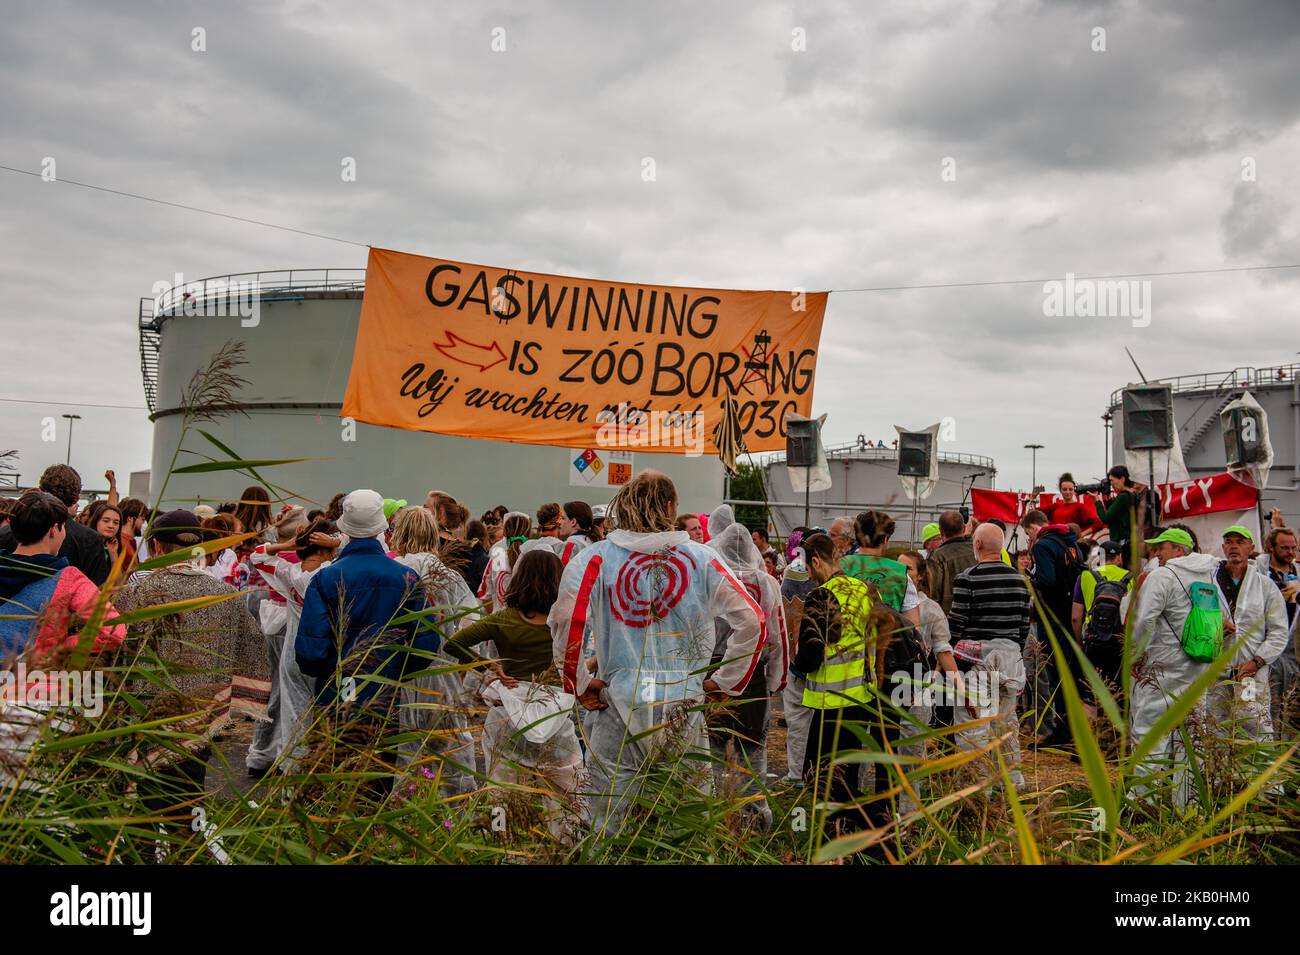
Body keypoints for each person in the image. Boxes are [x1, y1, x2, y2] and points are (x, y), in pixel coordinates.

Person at [549, 470, 763, 837]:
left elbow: (567, 618)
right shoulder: (701, 558)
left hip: (619, 700)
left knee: (604, 818)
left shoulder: (595, 559)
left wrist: (578, 683)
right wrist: (724, 684)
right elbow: (752, 620)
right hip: (682, 703)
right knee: (689, 820)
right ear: (669, 507)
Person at [114, 510, 270, 835]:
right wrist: (238, 706)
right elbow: (253, 650)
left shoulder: (135, 594)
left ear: (156, 547)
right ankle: (184, 850)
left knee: (142, 806)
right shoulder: (226, 595)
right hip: (202, 719)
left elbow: (117, 659)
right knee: (188, 800)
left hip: (147, 717)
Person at [446, 549, 583, 838]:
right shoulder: (563, 623)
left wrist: (489, 667)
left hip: (507, 714)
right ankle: (564, 842)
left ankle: (502, 840)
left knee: (500, 789)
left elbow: (453, 644)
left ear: (518, 579)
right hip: (554, 715)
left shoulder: (504, 619)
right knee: (564, 788)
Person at [296, 490, 436, 755]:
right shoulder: (406, 578)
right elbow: (425, 644)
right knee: (377, 776)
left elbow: (309, 652)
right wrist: (393, 671)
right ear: (382, 529)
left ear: (344, 529)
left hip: (334, 692)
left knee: (329, 770)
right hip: (384, 695)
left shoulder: (325, 579)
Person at [792, 532, 900, 854]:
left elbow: (810, 660)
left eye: (808, 567)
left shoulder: (820, 596)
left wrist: (797, 654)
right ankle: (844, 846)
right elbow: (884, 635)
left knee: (820, 779)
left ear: (815, 561)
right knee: (845, 777)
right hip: (861, 700)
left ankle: (879, 836)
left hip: (830, 703)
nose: (808, 574)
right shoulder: (864, 590)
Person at [389, 505, 483, 793]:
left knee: (404, 748)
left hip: (397, 672)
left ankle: (404, 809)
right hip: (442, 670)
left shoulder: (393, 571)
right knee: (450, 742)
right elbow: (472, 622)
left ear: (399, 534)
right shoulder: (449, 576)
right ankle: (450, 809)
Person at [1128, 527, 1223, 806]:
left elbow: (1144, 620)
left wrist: (1136, 654)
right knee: (1190, 733)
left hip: (1164, 664)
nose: (1157, 553)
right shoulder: (1208, 575)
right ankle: (1188, 803)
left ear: (1180, 550)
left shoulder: (1162, 576)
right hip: (1198, 663)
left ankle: (1143, 801)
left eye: (1163, 547)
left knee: (1151, 730)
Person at [708, 521, 789, 831]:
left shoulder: (714, 579)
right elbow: (776, 634)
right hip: (753, 673)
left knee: (714, 748)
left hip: (712, 673)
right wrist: (775, 680)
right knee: (753, 748)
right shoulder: (765, 582)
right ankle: (754, 818)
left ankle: (716, 816)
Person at [948, 523, 1032, 789]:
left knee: (973, 725)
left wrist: (948, 651)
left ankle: (977, 788)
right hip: (1010, 662)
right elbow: (1023, 626)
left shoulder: (968, 578)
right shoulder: (1020, 579)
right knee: (1006, 725)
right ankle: (1012, 783)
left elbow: (957, 622)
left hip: (976, 661)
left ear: (978, 545)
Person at [0, 491, 125, 661]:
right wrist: (63, 646)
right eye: (64, 527)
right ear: (53, 530)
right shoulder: (69, 579)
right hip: (35, 680)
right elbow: (114, 630)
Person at [1209, 525, 1288, 745]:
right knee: (1215, 726)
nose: (1234, 546)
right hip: (1216, 669)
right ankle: (1220, 779)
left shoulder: (1265, 586)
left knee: (1253, 723)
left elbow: (1279, 632)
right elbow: (1194, 620)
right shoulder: (1208, 583)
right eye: (1230, 541)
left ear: (1251, 548)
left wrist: (1257, 661)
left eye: (1240, 542)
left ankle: (1260, 778)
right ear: (1223, 547)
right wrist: (1215, 625)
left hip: (1250, 672)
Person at [896, 550, 959, 812]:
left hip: (916, 687)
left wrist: (961, 688)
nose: (902, 575)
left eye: (908, 569)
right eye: (897, 569)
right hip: (881, 686)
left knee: (912, 748)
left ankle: (910, 809)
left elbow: (943, 649)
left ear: (920, 576)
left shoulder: (931, 610)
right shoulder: (884, 602)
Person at [1021, 509, 1084, 746]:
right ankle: (1069, 726)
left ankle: (1062, 731)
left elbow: (1047, 580)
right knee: (1068, 672)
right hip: (1070, 613)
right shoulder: (1070, 543)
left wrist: (1029, 574)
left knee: (1055, 673)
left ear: (1035, 527)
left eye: (1029, 534)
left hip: (1052, 617)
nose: (1030, 540)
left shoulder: (1043, 546)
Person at [0, 465, 108, 586]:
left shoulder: (6, 532)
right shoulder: (90, 539)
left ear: (40, 490)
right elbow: (97, 590)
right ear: (77, 498)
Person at [1071, 539, 1132, 697]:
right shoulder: (1131, 578)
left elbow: (1076, 618)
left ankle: (1092, 721)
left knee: (1090, 695)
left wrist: (1080, 644)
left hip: (1093, 641)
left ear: (1100, 557)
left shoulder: (1085, 576)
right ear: (1119, 557)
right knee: (1118, 696)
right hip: (1120, 643)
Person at [1255, 522, 1299, 733]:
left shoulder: (1297, 571)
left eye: (1293, 548)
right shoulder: (1260, 572)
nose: (1290, 552)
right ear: (1271, 547)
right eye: (1285, 548)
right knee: (1269, 702)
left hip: (1293, 647)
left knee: (1292, 704)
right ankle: (1271, 752)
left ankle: (1290, 755)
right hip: (1267, 644)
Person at [478, 511, 531, 612]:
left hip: (499, 623)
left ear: (505, 533)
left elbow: (485, 595)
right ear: (528, 534)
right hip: (526, 623)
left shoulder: (497, 558)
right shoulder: (534, 558)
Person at [927, 510, 977, 615]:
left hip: (949, 617)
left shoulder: (937, 557)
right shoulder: (978, 549)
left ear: (940, 532)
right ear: (964, 528)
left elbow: (933, 593)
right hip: (978, 615)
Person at [1094, 465, 1145, 563]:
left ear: (1122, 479)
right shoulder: (1132, 494)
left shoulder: (1123, 497)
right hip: (1131, 541)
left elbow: (1105, 518)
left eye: (1112, 480)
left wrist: (1097, 501)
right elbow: (1114, 516)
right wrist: (1108, 497)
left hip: (1123, 543)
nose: (1111, 484)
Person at [83, 501, 126, 571]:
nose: (111, 526)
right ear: (96, 521)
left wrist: (113, 555)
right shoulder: (84, 545)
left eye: (116, 523)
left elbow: (119, 581)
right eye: (106, 521)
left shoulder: (115, 547)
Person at [463, 518, 492, 593]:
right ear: (485, 537)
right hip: (476, 601)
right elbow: (487, 588)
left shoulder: (460, 555)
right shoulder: (483, 559)